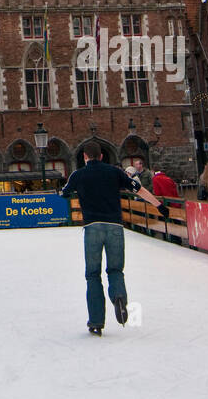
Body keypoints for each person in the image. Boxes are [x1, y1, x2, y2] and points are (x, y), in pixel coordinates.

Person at [60, 140, 168, 336]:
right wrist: (158, 205)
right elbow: (138, 189)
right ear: (101, 156)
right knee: (115, 269)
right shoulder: (115, 172)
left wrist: (70, 192)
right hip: (115, 227)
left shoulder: (78, 174)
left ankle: (96, 322)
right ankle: (119, 296)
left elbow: (64, 193)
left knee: (93, 274)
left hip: (92, 227)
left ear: (84, 157)